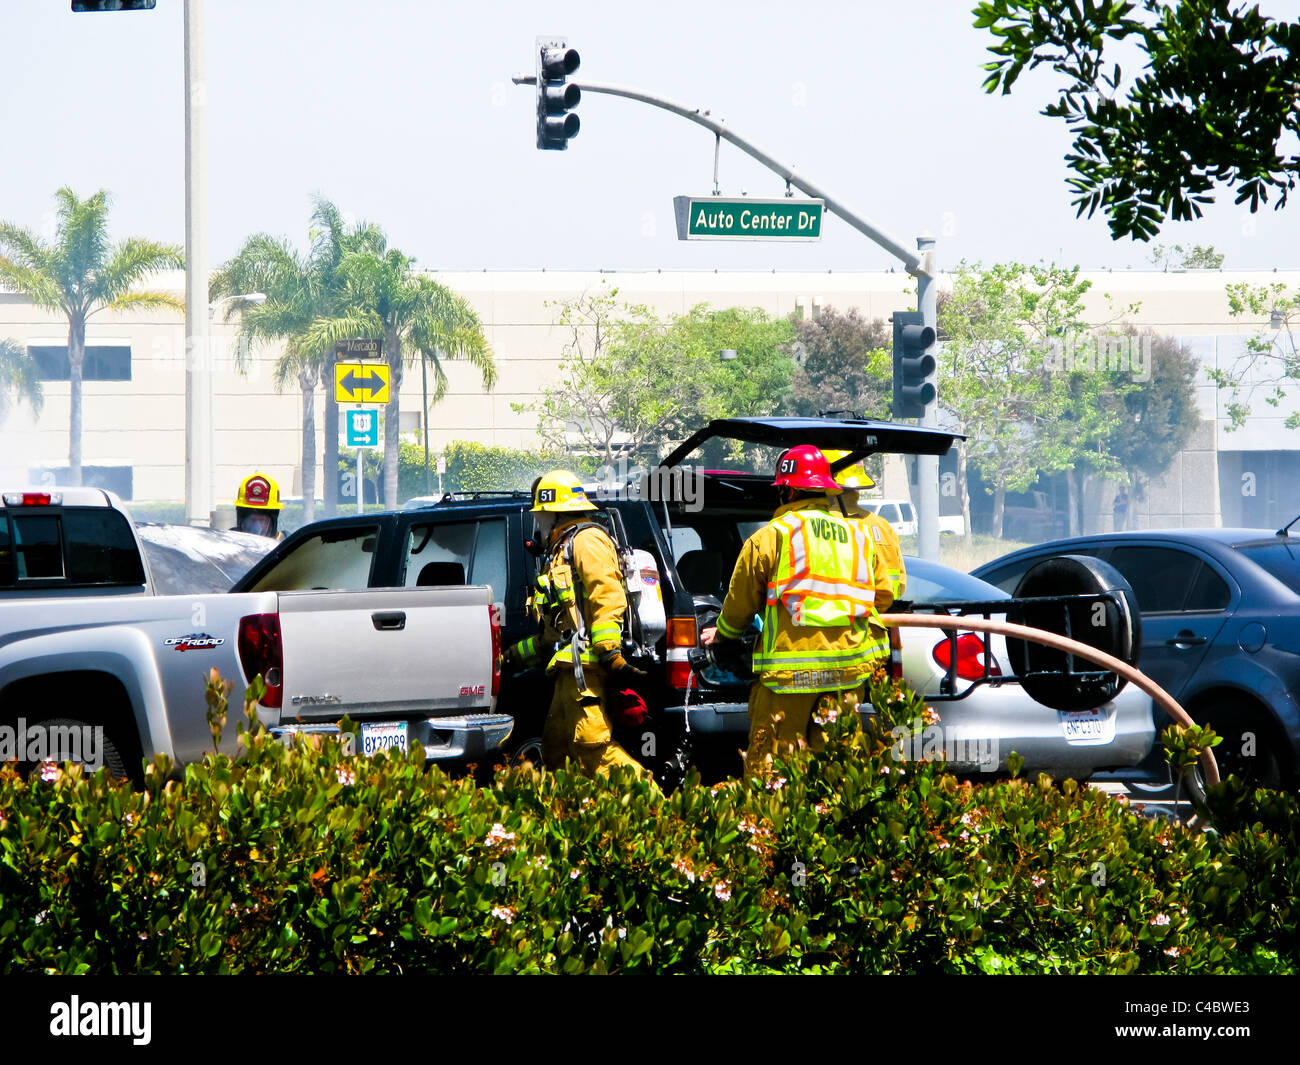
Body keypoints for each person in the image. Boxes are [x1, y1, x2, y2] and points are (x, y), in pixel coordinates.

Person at [701, 445, 895, 778]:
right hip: (847, 675)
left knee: (774, 769)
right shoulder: (859, 536)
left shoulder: (771, 537)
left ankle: (771, 829)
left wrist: (723, 634)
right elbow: (884, 598)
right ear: (824, 489)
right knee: (839, 767)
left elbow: (740, 606)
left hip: (789, 680)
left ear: (787, 489)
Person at [502, 470, 648, 779]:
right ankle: (569, 818)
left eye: (540, 517)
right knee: (557, 755)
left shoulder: (587, 541)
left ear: (554, 514)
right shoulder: (560, 552)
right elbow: (554, 634)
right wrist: (512, 656)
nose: (538, 524)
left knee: (593, 748)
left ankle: (652, 806)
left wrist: (609, 651)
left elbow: (606, 593)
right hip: (567, 673)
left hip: (587, 672)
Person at [822, 450, 906, 673]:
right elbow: (900, 585)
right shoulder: (883, 526)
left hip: (842, 641)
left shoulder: (824, 526)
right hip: (882, 638)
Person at [234, 472, 283, 539]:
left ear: (273, 522)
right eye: (252, 520)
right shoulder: (229, 540)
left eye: (262, 520)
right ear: (241, 520)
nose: (256, 526)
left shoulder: (288, 545)